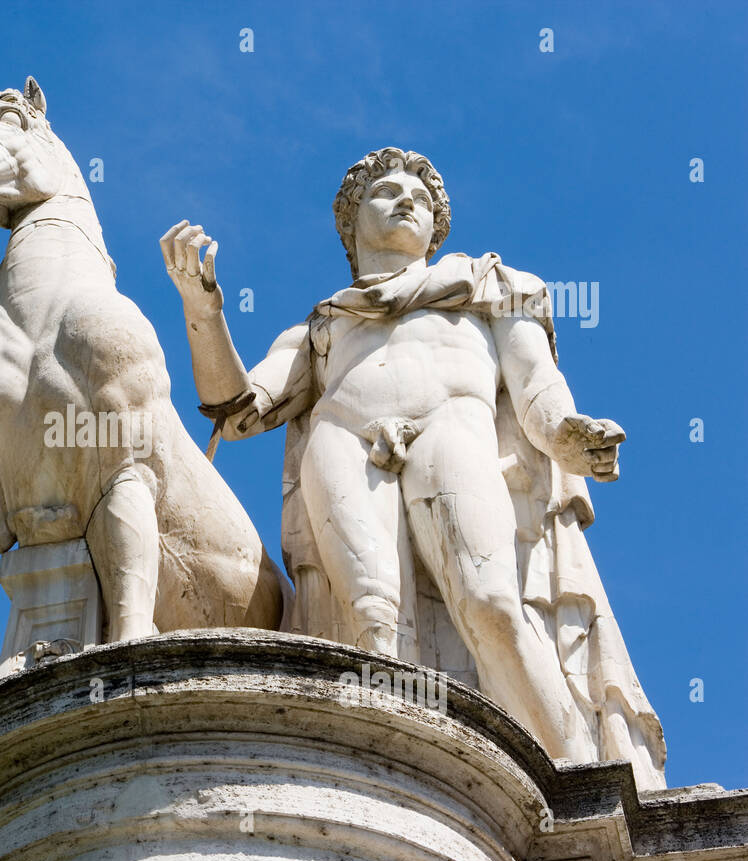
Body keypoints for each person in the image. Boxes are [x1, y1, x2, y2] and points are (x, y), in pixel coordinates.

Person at [159, 148, 664, 786]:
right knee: (371, 621)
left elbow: (538, 390)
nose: (407, 202)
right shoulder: (325, 327)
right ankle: (394, 787)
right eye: (386, 193)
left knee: (491, 604)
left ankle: (575, 776)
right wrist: (203, 312)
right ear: (349, 225)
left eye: (421, 199)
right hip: (345, 443)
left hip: (454, 429)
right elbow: (237, 410)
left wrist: (569, 435)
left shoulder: (492, 288)